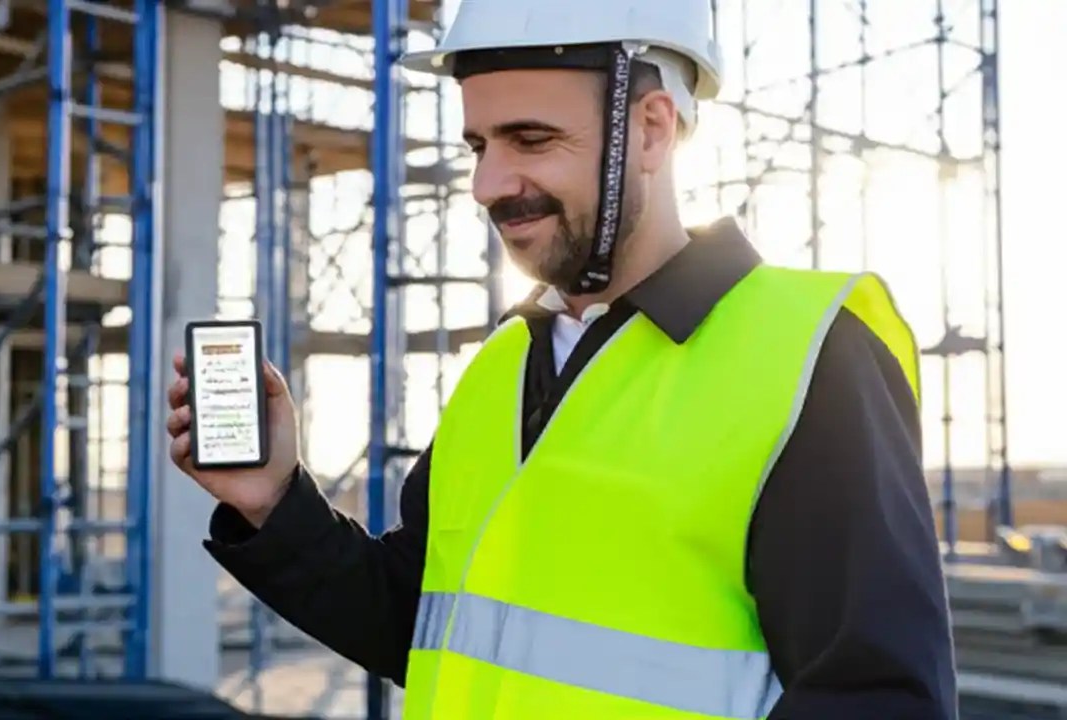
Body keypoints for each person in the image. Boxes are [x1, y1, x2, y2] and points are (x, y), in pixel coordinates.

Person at [165, 1, 959, 717]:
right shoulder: (504, 366)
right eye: (478, 144)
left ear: (651, 128)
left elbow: (877, 700)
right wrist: (275, 503)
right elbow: (424, 626)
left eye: (532, 140)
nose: (488, 183)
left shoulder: (809, 358)